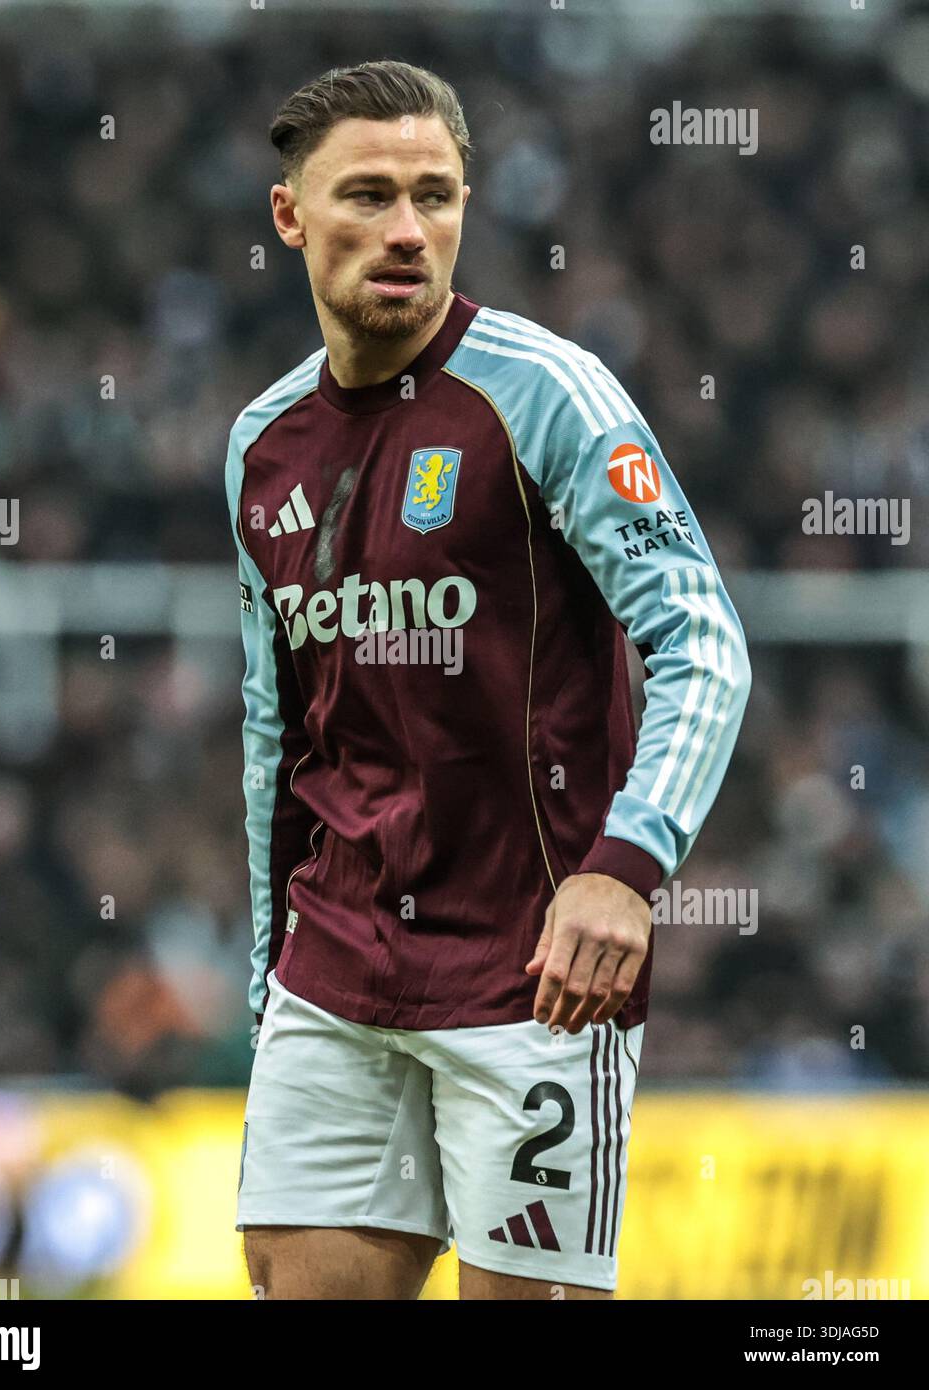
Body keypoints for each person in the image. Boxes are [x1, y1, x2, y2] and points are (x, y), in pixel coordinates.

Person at [225, 59, 750, 1300]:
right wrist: (265, 985)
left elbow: (700, 637)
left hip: (531, 981)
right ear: (288, 216)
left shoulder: (545, 393)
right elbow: (275, 733)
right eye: (366, 196)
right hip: (333, 972)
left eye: (436, 195)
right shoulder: (262, 444)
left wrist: (626, 868)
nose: (408, 231)